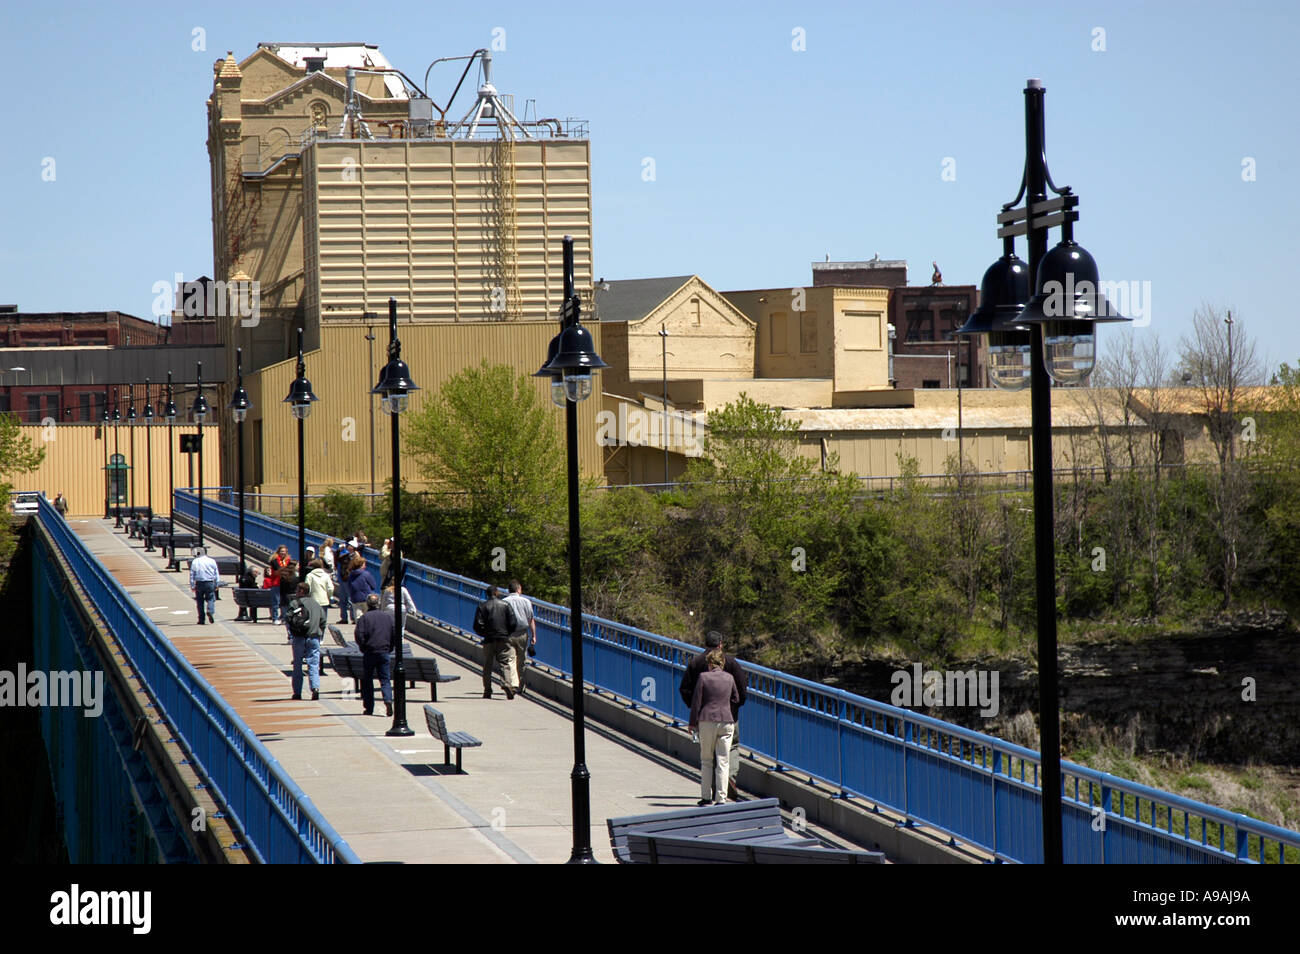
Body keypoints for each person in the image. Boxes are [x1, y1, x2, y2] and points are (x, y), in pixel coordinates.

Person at [679, 631, 748, 801]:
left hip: (705, 717)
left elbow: (686, 690)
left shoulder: (696, 664)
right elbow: (742, 692)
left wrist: (696, 713)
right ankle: (727, 782)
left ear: (705, 644)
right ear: (721, 645)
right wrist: (732, 709)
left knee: (707, 758)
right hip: (728, 716)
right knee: (730, 750)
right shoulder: (731, 664)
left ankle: (707, 793)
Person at [689, 647, 739, 806]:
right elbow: (736, 698)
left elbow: (696, 702)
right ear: (722, 663)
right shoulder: (730, 678)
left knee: (706, 760)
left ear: (710, 663)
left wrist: (692, 723)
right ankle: (721, 798)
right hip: (726, 721)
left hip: (707, 721)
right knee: (723, 761)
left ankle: (705, 797)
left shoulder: (703, 678)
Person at [353, 593, 394, 717]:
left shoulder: (365, 618)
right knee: (385, 679)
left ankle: (369, 707)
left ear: (368, 604)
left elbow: (359, 635)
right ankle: (387, 699)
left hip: (370, 652)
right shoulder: (387, 617)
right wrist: (390, 647)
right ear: (378, 604)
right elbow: (394, 634)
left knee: (368, 680)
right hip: (384, 651)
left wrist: (364, 647)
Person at [473, 585, 517, 700]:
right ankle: (507, 684)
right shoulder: (506, 605)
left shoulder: (482, 606)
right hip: (503, 638)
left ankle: (487, 690)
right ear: (496, 593)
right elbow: (513, 623)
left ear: (487, 594)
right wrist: (507, 633)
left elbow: (477, 625)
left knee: (488, 665)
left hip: (489, 639)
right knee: (505, 662)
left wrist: (484, 633)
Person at [287, 581, 325, 701]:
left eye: (297, 590)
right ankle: (315, 688)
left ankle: (297, 692)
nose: (296, 592)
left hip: (299, 637)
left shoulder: (294, 603)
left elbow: (287, 618)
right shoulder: (316, 604)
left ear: (302, 591)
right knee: (313, 663)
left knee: (297, 665)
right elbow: (323, 621)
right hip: (314, 637)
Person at [503, 579, 537, 697]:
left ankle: (512, 684)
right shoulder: (526, 601)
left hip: (509, 634)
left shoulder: (504, 602)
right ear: (518, 589)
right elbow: (531, 619)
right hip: (523, 633)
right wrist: (534, 636)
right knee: (521, 659)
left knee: (510, 659)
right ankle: (521, 685)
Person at [189, 546, 220, 625]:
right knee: (210, 598)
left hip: (199, 583)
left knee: (199, 601)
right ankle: (210, 610)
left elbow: (192, 574)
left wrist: (192, 585)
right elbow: (216, 573)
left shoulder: (195, 561)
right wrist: (216, 584)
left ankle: (201, 619)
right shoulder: (212, 561)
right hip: (209, 582)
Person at [346, 554, 377, 620]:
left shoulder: (351, 575)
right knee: (368, 618)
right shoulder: (366, 574)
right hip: (366, 598)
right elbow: (373, 585)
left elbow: (349, 586)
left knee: (358, 618)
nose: (365, 566)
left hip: (355, 598)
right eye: (364, 564)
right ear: (361, 565)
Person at [278, 561, 300, 639]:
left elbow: (281, 590)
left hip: (285, 598)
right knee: (295, 617)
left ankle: (290, 635)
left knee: (287, 618)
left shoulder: (283, 577)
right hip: (294, 598)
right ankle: (294, 634)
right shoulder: (297, 577)